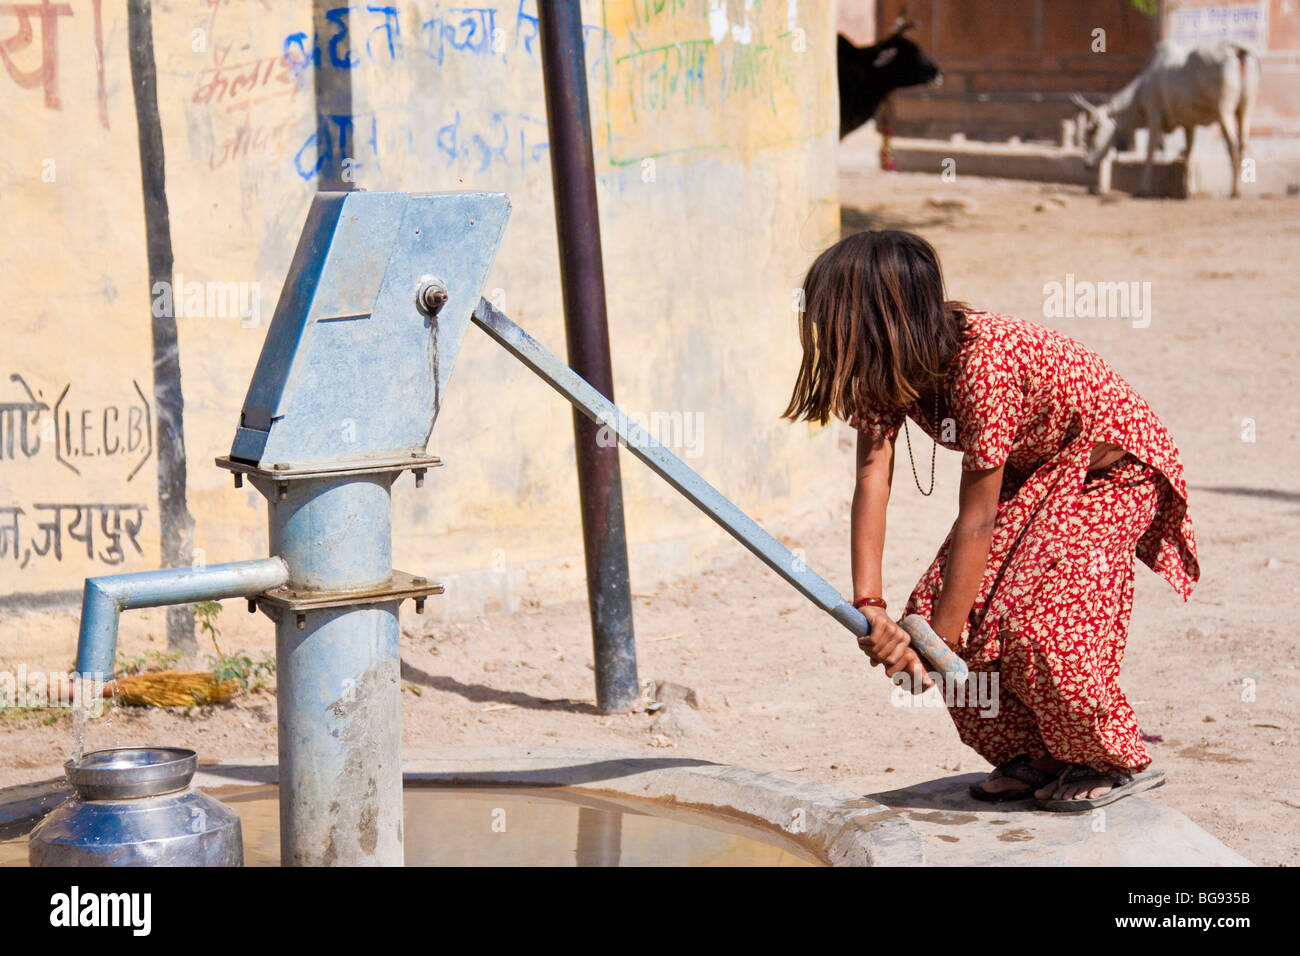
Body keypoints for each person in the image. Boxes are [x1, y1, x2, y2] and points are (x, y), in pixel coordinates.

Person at [783, 230, 1198, 810]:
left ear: (882, 321)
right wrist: (870, 605)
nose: (830, 338)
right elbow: (871, 479)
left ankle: (1109, 759)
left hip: (1108, 470)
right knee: (933, 612)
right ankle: (1042, 753)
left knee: (1040, 630)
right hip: (1035, 470)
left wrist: (939, 645)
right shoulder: (890, 368)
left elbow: (977, 523)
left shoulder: (985, 364)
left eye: (837, 322)